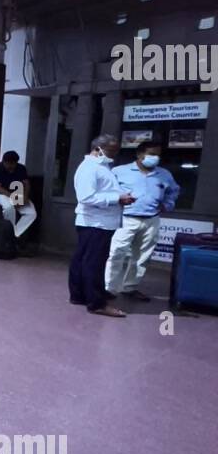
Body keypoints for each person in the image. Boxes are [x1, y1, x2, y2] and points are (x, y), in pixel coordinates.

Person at [69, 134, 137, 318]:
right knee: (94, 263)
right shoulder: (90, 168)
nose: (114, 154)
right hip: (96, 222)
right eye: (111, 150)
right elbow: (86, 197)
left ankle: (80, 294)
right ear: (97, 148)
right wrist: (118, 198)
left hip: (97, 221)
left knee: (83, 260)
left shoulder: (102, 167)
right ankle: (97, 303)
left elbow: (103, 191)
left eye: (116, 151)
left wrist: (120, 196)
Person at [104, 142, 180, 301]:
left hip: (151, 219)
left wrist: (168, 204)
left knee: (142, 257)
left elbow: (173, 191)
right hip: (125, 218)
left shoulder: (164, 174)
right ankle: (109, 289)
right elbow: (106, 190)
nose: (156, 158)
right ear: (139, 154)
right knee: (117, 253)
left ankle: (129, 288)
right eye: (152, 154)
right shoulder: (119, 171)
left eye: (158, 155)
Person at [0, 151, 38, 239]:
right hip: (3, 194)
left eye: (13, 164)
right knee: (9, 208)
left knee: (31, 213)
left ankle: (14, 234)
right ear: (4, 162)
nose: (11, 167)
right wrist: (13, 197)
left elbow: (26, 183)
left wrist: (25, 196)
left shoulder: (21, 168)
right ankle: (9, 232)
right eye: (9, 164)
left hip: (18, 193)